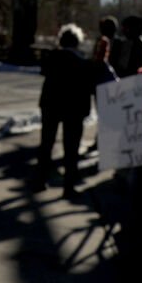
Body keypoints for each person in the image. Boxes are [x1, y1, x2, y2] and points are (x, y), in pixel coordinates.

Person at [36, 23, 113, 189]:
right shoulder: (83, 63)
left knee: (46, 144)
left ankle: (40, 180)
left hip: (50, 106)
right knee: (71, 148)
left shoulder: (51, 58)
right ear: (77, 42)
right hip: (74, 110)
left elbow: (44, 71)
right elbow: (92, 84)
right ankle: (69, 185)